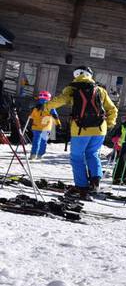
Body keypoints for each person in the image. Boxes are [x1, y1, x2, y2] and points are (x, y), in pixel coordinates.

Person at [45, 67, 118, 195]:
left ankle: (81, 186)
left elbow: (60, 100)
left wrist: (45, 107)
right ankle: (95, 182)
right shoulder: (100, 90)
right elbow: (113, 110)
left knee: (77, 157)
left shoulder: (72, 89)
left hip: (80, 130)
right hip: (100, 129)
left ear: (76, 75)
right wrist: (109, 124)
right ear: (90, 75)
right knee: (93, 153)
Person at [26, 92, 57, 159]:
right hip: (46, 127)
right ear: (49, 98)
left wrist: (30, 116)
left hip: (36, 126)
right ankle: (40, 155)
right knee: (43, 141)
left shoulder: (36, 106)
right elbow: (55, 116)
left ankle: (33, 154)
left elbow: (32, 116)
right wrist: (58, 123)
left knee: (36, 141)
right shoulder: (51, 107)